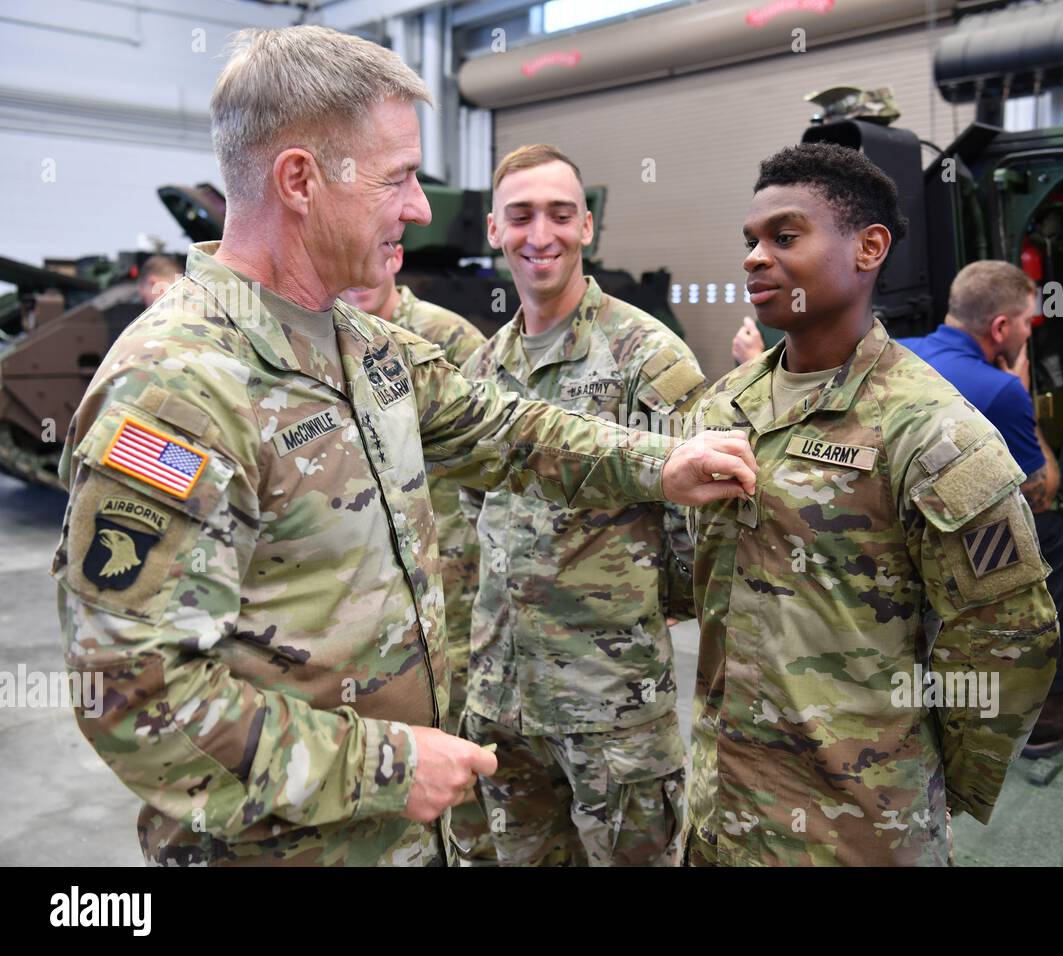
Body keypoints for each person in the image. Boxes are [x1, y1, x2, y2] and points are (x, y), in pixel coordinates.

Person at [50, 25, 756, 867]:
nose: (420, 208)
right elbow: (133, 696)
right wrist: (385, 766)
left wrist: (659, 462)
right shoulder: (182, 389)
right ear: (300, 180)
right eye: (397, 179)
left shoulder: (359, 344)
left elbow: (505, 427)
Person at [683, 142, 1059, 866]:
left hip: (855, 829)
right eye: (750, 242)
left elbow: (1009, 644)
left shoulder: (932, 430)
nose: (755, 258)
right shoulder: (724, 404)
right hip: (722, 807)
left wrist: (923, 777)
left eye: (784, 237)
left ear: (869, 248)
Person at [458, 144, 706, 866]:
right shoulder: (482, 368)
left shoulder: (645, 355)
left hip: (612, 706)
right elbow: (479, 511)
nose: (543, 234)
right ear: (494, 230)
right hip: (502, 698)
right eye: (522, 215)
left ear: (588, 227)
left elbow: (699, 529)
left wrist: (626, 619)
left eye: (561, 215)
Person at [899, 261, 1063, 757]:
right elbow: (1041, 489)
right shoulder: (1001, 390)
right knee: (1050, 532)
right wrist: (1022, 397)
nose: (1030, 329)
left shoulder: (902, 353)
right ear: (1001, 328)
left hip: (908, 533)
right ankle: (1051, 713)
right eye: (1027, 321)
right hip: (969, 544)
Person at [339, 245, 492, 862]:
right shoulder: (328, 337)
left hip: (451, 566)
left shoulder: (441, 337)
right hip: (369, 586)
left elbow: (491, 442)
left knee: (455, 723)